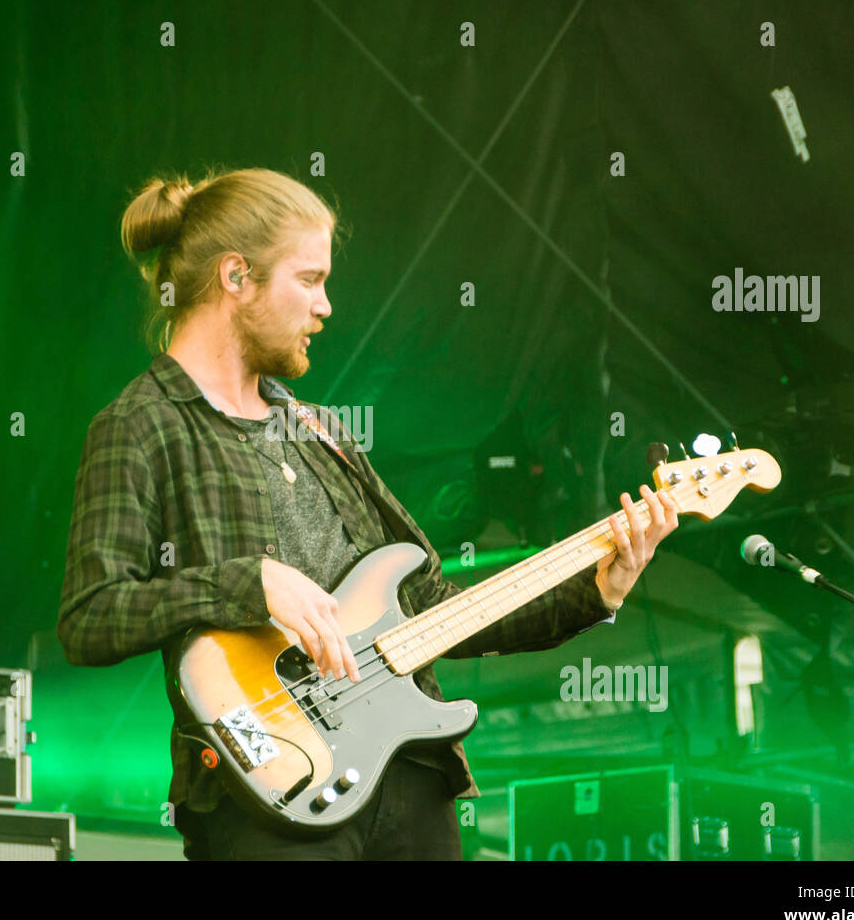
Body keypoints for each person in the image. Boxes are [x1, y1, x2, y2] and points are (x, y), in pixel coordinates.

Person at [57, 166, 679, 860]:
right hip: (269, 787)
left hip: (409, 783)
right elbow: (90, 617)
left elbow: (433, 607)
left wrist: (594, 591)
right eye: (309, 279)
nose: (326, 307)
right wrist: (247, 583)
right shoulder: (140, 426)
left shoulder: (323, 431)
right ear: (236, 277)